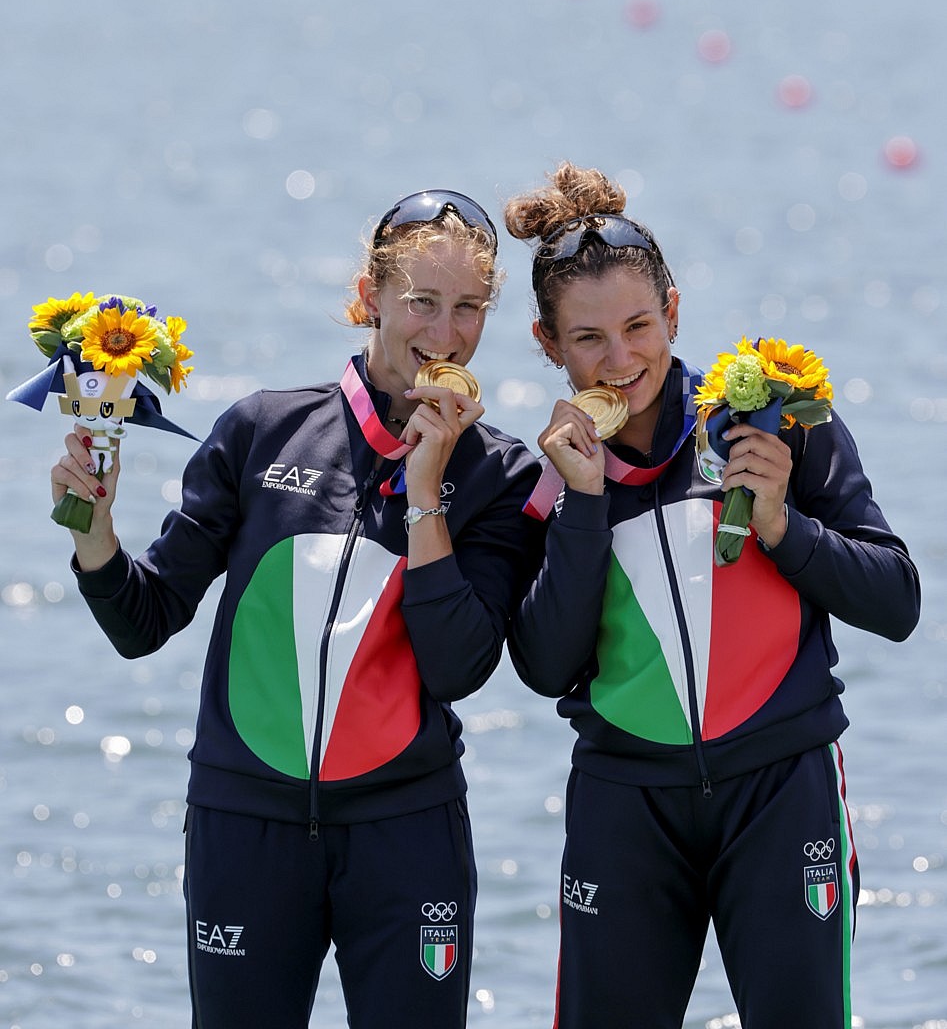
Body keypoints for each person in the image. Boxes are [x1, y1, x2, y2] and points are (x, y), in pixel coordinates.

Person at [50, 190, 542, 1029]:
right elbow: (145, 620)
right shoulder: (260, 431)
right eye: (422, 302)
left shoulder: (502, 476)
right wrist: (94, 533)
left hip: (407, 832)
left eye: (469, 309)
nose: (446, 332)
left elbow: (459, 667)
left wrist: (426, 489)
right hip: (246, 826)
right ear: (369, 298)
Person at [503, 161, 921, 1029]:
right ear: (547, 344)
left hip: (780, 793)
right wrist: (582, 503)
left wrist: (780, 524)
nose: (620, 361)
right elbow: (544, 667)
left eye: (638, 326)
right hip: (625, 807)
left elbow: (896, 600)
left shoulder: (769, 419)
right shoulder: (548, 475)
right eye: (586, 340)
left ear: (675, 312)